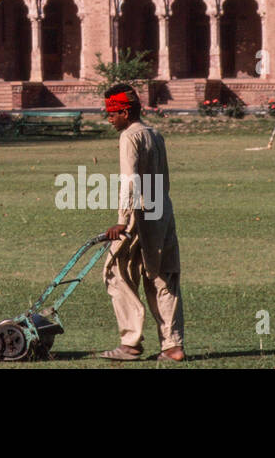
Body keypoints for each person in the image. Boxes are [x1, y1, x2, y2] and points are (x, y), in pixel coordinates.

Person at [98, 84, 185, 362]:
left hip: (139, 214)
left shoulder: (129, 137)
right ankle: (172, 346)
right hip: (162, 210)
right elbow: (165, 179)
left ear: (125, 112)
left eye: (112, 113)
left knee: (114, 272)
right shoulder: (155, 134)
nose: (109, 118)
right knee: (162, 277)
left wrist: (122, 220)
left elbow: (129, 180)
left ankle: (131, 342)